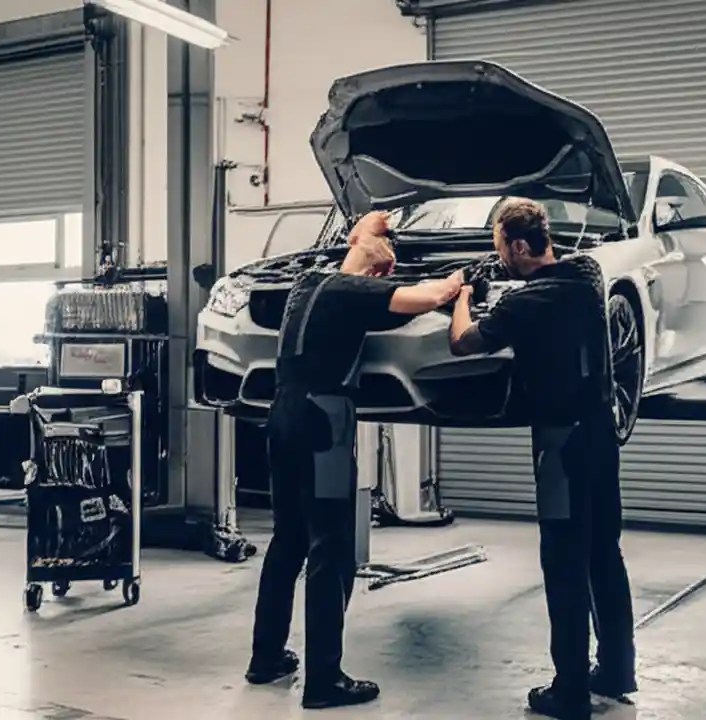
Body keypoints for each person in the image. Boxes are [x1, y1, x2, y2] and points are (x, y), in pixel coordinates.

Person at [246, 210, 464, 710]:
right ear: (370, 267)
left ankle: (266, 657)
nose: (384, 248)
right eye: (380, 247)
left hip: (282, 418)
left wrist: (370, 226)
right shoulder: (351, 290)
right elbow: (428, 298)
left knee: (290, 537)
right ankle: (325, 680)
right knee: (333, 546)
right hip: (324, 424)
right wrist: (459, 281)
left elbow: (393, 307)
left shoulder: (306, 287)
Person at [448, 198, 637, 719]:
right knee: (604, 553)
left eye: (502, 248)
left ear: (521, 245)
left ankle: (570, 690)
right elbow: (555, 281)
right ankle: (618, 669)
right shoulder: (587, 277)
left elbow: (464, 342)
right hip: (601, 435)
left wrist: (464, 295)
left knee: (563, 562)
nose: (501, 257)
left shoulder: (525, 304)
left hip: (560, 447)